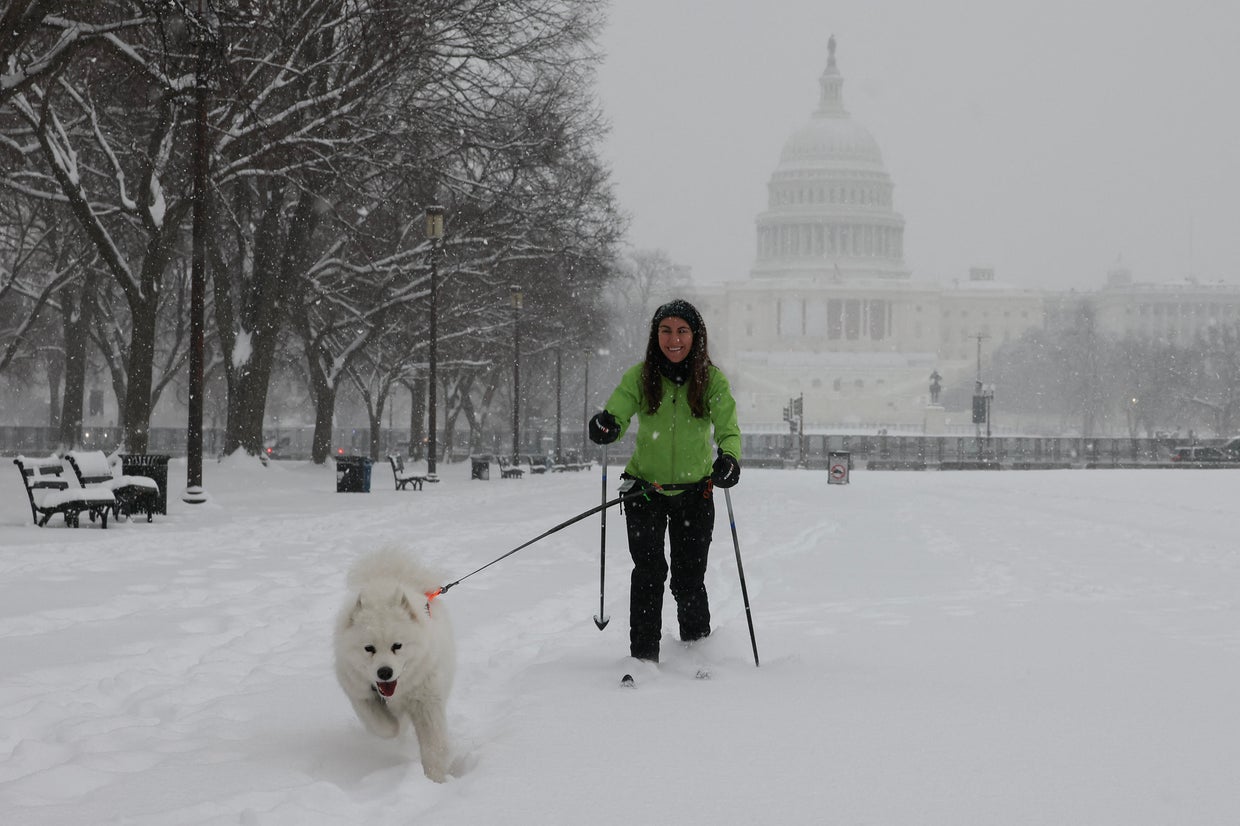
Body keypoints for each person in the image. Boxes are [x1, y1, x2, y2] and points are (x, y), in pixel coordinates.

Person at [588, 299, 741, 664]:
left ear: (696, 336)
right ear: (655, 335)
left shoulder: (712, 380)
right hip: (646, 490)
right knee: (649, 573)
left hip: (695, 492)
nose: (674, 340)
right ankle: (643, 656)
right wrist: (607, 424)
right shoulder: (640, 377)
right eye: (666, 331)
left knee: (689, 577)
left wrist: (730, 458)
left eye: (682, 331)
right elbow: (619, 411)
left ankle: (696, 646)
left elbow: (728, 427)